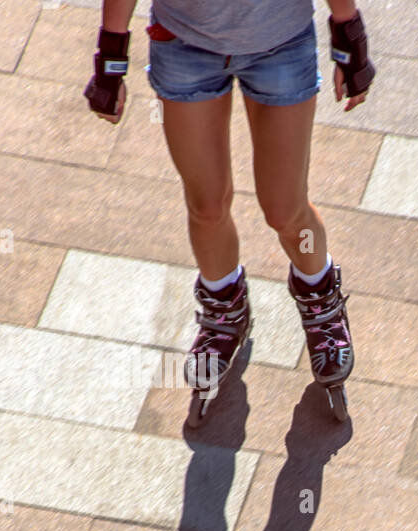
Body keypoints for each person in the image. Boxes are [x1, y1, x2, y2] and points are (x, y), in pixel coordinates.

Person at [84, 0, 376, 424]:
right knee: (206, 205)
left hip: (279, 41)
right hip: (184, 44)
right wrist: (110, 56)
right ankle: (224, 305)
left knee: (285, 209)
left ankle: (320, 295)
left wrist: (349, 29)